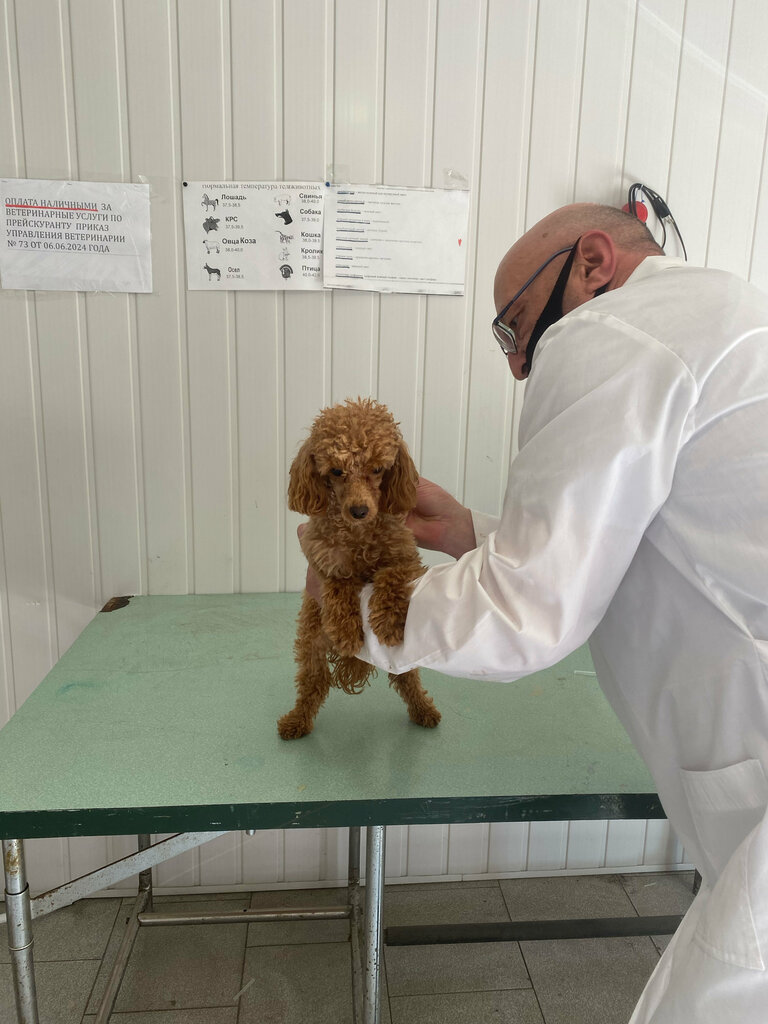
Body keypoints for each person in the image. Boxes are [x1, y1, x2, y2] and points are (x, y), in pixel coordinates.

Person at [303, 203, 768, 1022]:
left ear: (593, 261)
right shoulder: (724, 315)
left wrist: (353, 601)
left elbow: (528, 607)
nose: (520, 366)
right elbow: (639, 541)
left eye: (515, 329)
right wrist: (470, 532)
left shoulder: (616, 331)